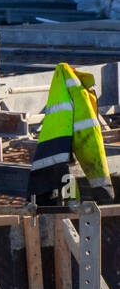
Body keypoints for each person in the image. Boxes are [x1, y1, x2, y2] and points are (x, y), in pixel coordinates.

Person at [29, 63, 114, 204]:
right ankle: (72, 206)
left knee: (64, 182)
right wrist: (104, 190)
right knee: (67, 180)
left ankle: (71, 206)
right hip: (69, 154)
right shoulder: (80, 95)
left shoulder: (64, 91)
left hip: (53, 156)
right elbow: (90, 143)